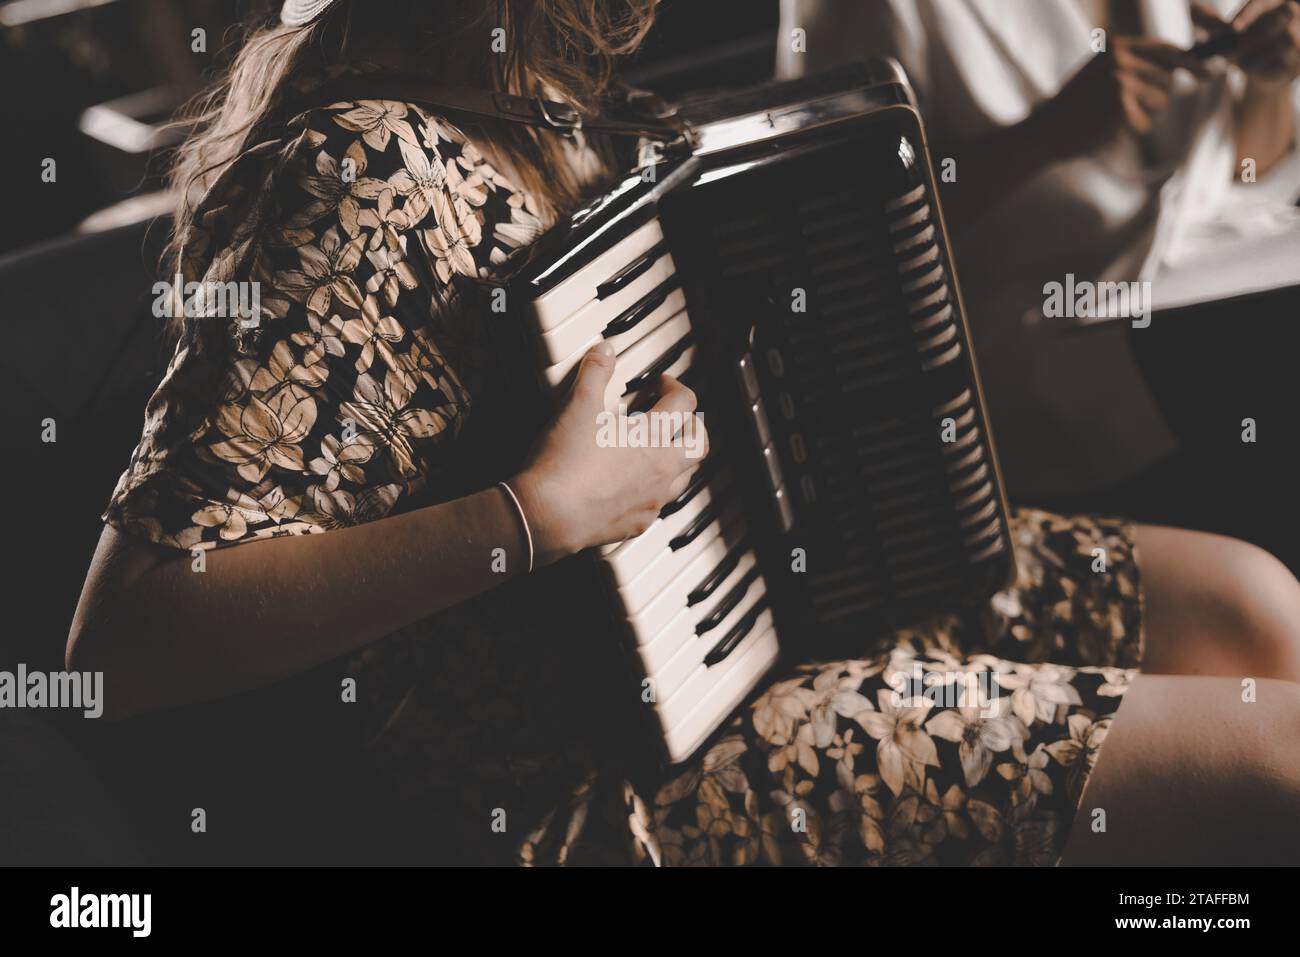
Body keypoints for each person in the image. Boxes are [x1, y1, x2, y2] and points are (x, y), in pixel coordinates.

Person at [68, 0, 1300, 865]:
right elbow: (124, 643)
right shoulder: (360, 162)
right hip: (599, 775)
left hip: (754, 609)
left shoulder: (540, 98)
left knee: (1252, 606)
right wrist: (533, 517)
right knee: (1273, 767)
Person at [778, 0, 1300, 566]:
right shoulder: (871, 12)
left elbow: (1243, 171)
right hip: (1029, 353)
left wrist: (1270, 86)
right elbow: (841, 244)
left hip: (1215, 290)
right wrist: (1042, 135)